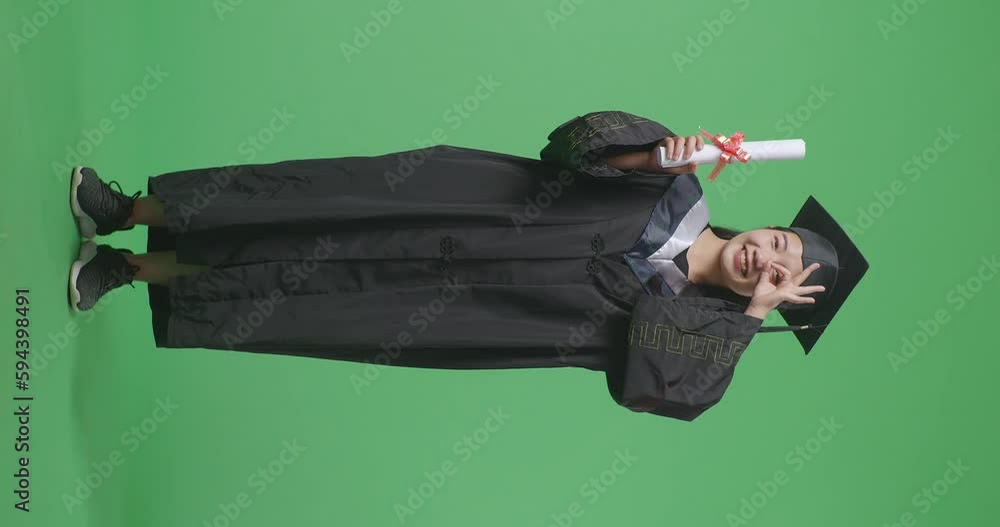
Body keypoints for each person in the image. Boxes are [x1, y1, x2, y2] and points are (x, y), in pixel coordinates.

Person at [67, 110, 868, 421]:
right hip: (465, 202)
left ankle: (127, 272)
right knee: (314, 203)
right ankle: (128, 212)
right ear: (767, 224)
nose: (768, 258)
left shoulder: (698, 331)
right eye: (780, 241)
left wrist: (750, 315)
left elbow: (664, 389)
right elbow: (572, 144)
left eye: (781, 274)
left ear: (777, 298)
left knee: (308, 293)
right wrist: (651, 154)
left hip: (472, 308)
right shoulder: (676, 181)